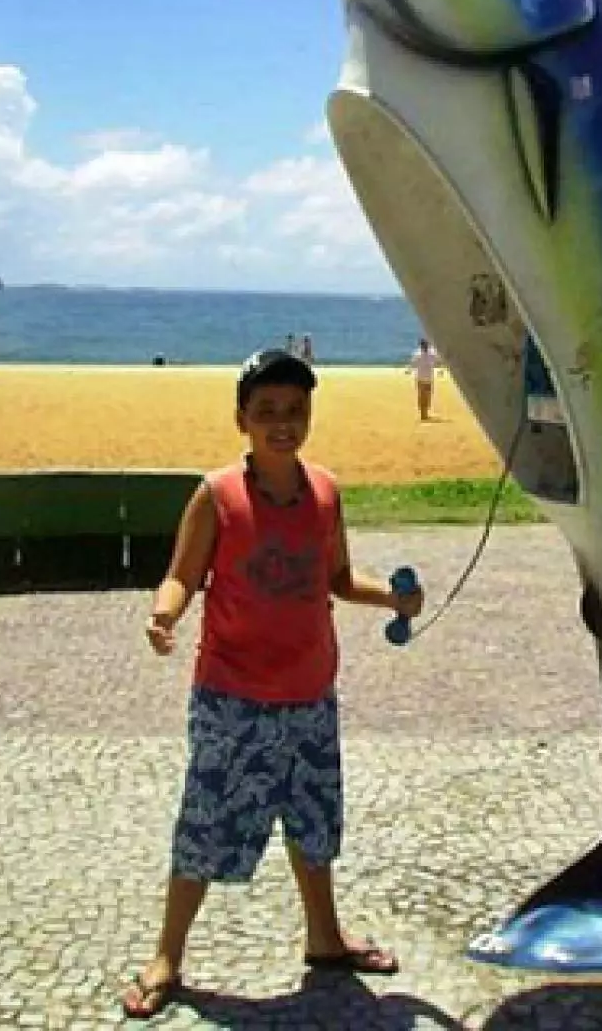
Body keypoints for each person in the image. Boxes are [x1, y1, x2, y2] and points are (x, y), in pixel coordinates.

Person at [123, 347, 424, 1020]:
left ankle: (325, 938)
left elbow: (339, 579)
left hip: (310, 696)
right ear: (242, 419)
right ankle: (168, 953)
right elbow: (182, 574)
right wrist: (162, 614)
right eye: (267, 412)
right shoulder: (217, 494)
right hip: (233, 699)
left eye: (294, 410)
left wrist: (395, 601)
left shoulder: (324, 491)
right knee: (205, 823)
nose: (282, 423)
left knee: (313, 822)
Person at [406, 338, 442, 422]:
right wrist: (409, 369)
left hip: (426, 378)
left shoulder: (430, 353)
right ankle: (423, 414)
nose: (425, 346)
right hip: (422, 378)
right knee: (423, 396)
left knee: (426, 396)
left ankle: (424, 413)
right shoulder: (420, 354)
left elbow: (438, 361)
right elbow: (413, 363)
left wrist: (440, 369)